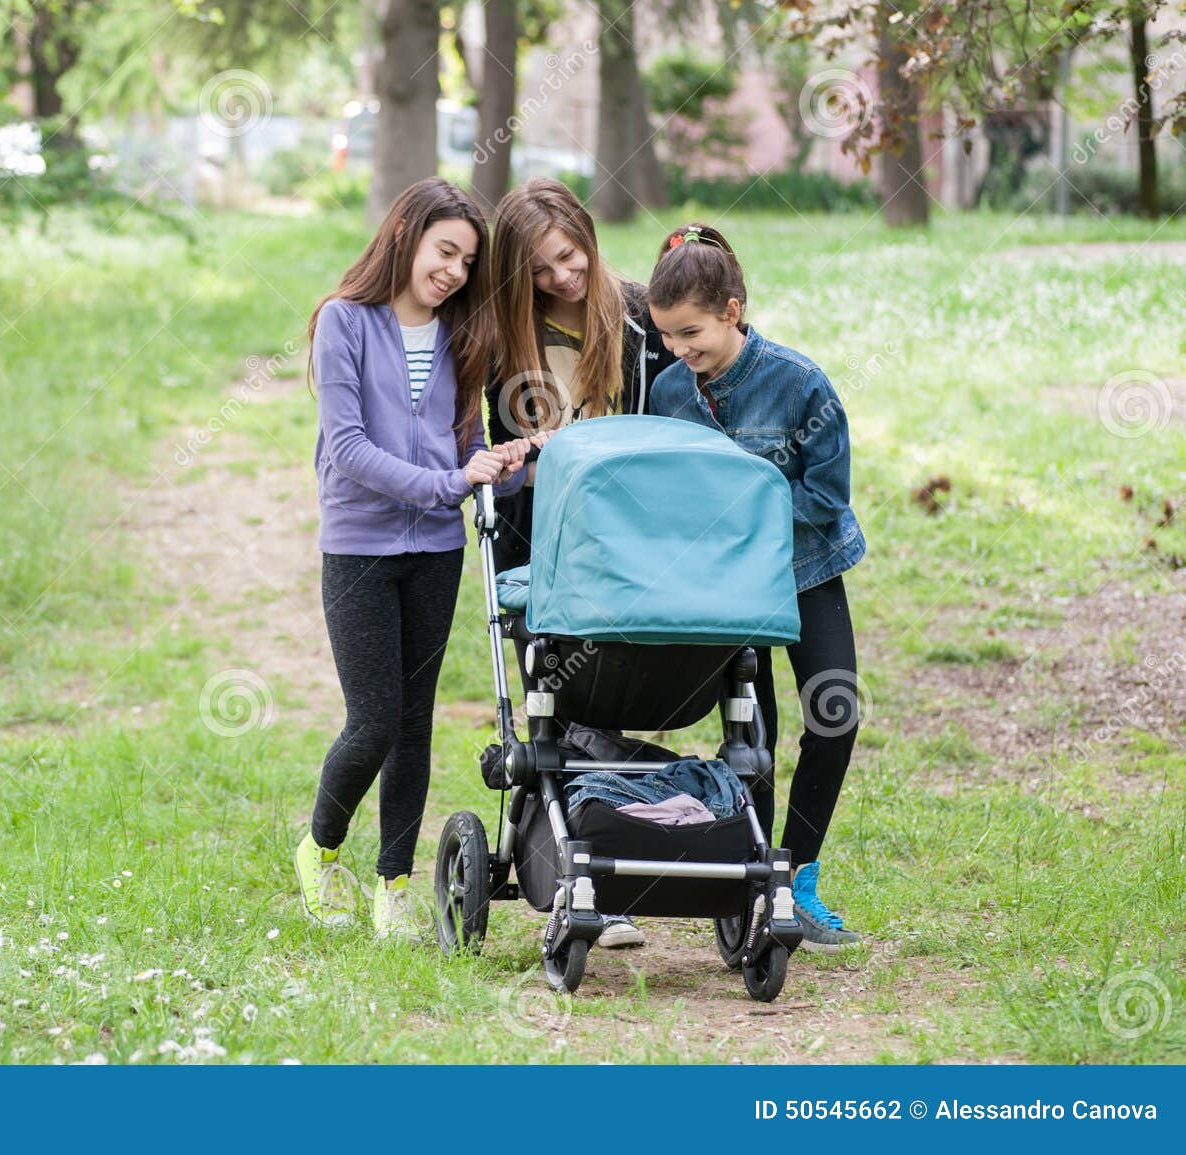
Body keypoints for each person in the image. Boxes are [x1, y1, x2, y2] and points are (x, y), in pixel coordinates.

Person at [295, 177, 534, 942]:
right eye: (446, 251)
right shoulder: (344, 322)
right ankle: (319, 848)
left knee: (415, 722)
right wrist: (449, 483)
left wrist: (510, 461)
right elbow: (348, 449)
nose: (456, 272)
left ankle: (392, 883)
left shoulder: (464, 335)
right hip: (360, 547)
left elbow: (466, 447)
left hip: (435, 551)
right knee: (372, 721)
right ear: (405, 236)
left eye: (467, 260)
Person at [646, 222, 867, 950]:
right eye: (668, 335)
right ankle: (755, 877)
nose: (680, 350)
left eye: (691, 332)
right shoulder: (670, 392)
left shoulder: (801, 383)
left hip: (805, 570)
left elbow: (826, 497)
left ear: (733, 309)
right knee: (753, 734)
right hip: (726, 588)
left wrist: (741, 524)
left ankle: (801, 872)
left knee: (835, 714)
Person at [484, 177, 679, 950]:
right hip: (541, 534)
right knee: (554, 700)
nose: (562, 277)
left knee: (606, 692)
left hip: (626, 533)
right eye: (540, 269)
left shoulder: (636, 313)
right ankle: (584, 877)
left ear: (587, 236)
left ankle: (607, 868)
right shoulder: (504, 336)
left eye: (568, 256)